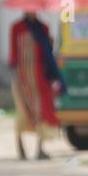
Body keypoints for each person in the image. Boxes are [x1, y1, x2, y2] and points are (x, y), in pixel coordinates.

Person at [8, 10, 64, 160]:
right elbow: (13, 54)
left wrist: (49, 42)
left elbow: (47, 55)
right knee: (22, 111)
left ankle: (40, 149)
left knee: (42, 112)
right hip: (23, 77)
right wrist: (15, 76)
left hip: (40, 78)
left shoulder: (43, 28)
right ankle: (20, 147)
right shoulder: (17, 28)